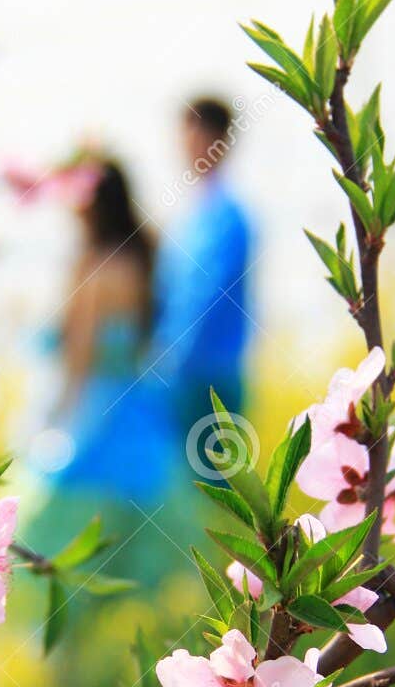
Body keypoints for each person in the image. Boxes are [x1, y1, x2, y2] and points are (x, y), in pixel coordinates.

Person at [27, 158, 178, 575]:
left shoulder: (94, 267)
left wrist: (56, 420)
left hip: (92, 406)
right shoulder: (140, 259)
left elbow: (80, 353)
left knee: (51, 524)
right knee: (135, 532)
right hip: (136, 404)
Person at [154, 97, 258, 436]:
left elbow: (208, 298)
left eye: (192, 132)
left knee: (214, 482)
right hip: (182, 377)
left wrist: (169, 358)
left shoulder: (228, 217)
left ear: (217, 140)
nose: (184, 143)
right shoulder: (191, 214)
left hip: (211, 378)